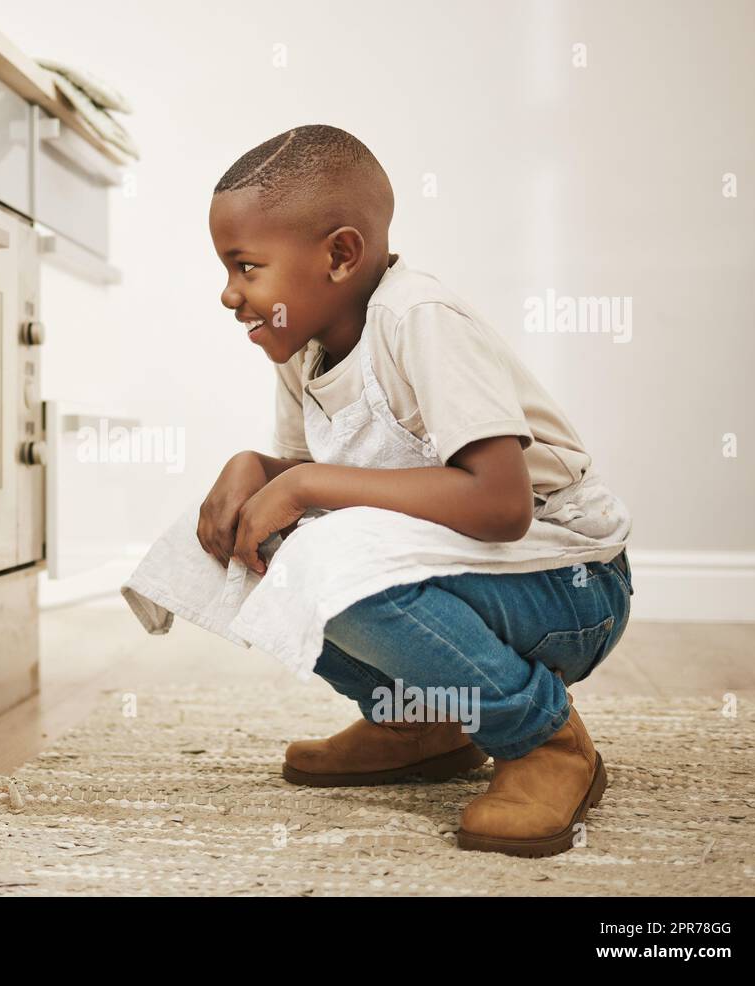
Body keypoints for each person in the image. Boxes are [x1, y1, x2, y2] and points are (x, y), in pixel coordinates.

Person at [199, 124, 634, 858]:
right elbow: (325, 492)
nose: (228, 293)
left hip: (566, 586)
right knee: (247, 533)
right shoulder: (301, 348)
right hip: (471, 577)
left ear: (340, 254)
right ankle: (420, 722)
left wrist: (302, 482)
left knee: (335, 564)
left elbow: (501, 506)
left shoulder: (418, 319)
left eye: (246, 267)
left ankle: (544, 742)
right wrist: (264, 470)